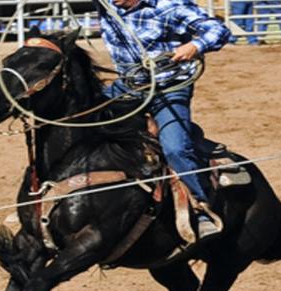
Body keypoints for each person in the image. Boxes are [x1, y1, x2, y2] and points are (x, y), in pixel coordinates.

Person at [98, 0, 232, 239]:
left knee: (175, 148)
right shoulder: (107, 5)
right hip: (128, 85)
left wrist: (195, 45)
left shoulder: (170, 6)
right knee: (80, 118)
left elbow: (219, 30)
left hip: (169, 86)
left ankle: (201, 207)